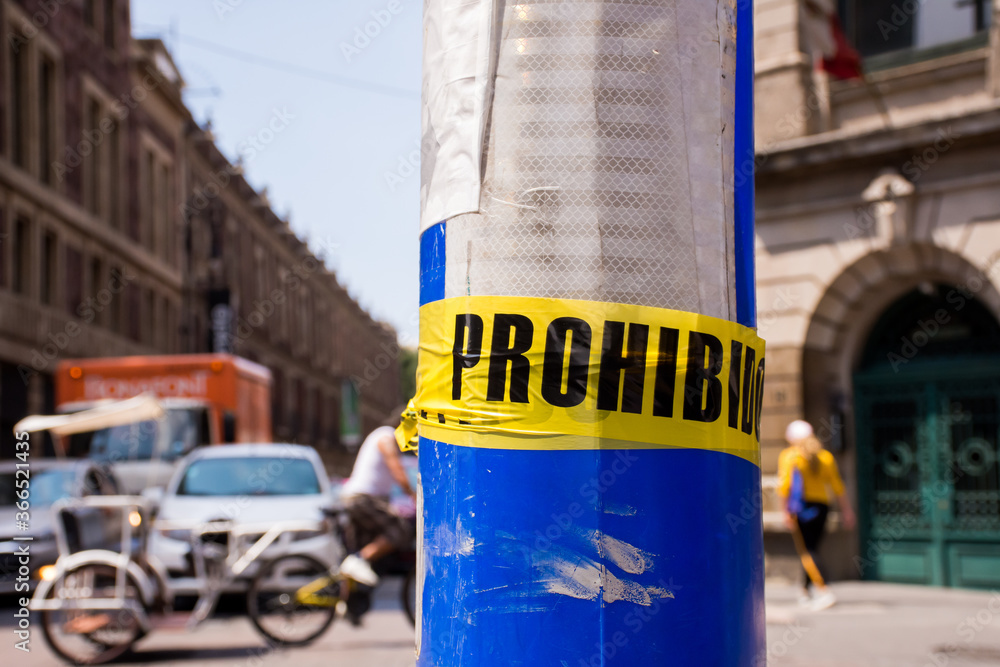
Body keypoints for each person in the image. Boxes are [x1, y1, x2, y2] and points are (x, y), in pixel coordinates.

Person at [777, 419, 856, 610]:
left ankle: (823, 589)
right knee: (813, 548)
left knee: (807, 551)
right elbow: (838, 487)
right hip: (822, 508)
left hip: (801, 508)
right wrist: (847, 511)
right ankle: (805, 591)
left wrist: (785, 512)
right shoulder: (825, 457)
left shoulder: (790, 456)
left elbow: (784, 487)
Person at [338, 407, 416, 590]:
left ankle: (345, 603)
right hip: (362, 500)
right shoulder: (386, 436)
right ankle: (359, 559)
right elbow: (397, 470)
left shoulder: (382, 437)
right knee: (401, 530)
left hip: (360, 500)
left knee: (360, 551)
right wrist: (414, 496)